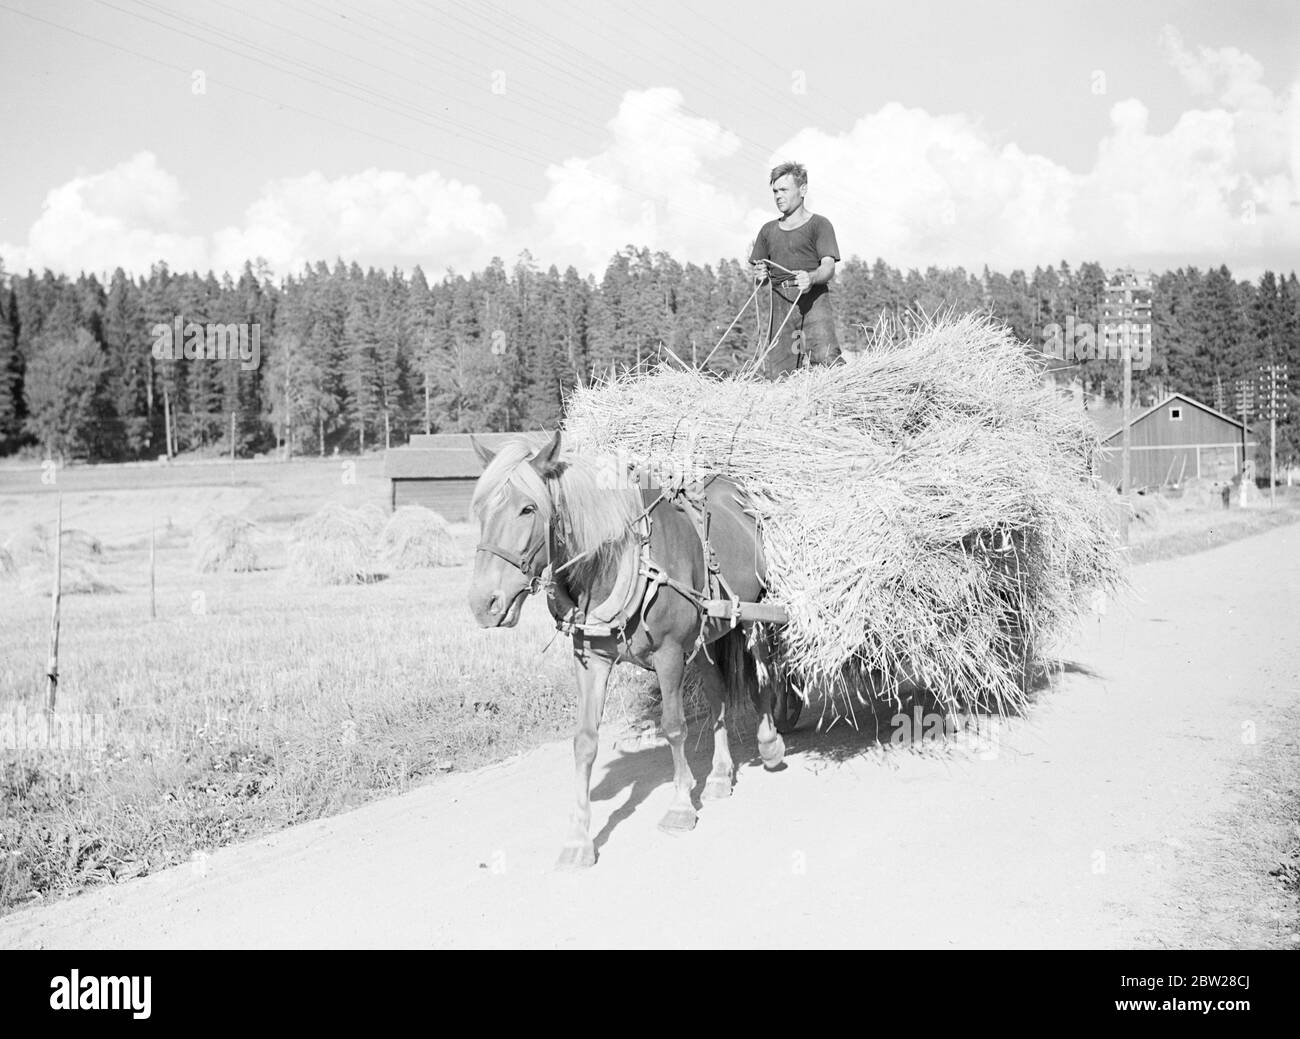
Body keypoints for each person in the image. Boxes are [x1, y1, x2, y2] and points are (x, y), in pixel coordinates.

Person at [749, 161, 842, 377]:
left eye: (784, 190)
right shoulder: (767, 231)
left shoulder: (820, 225)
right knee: (782, 372)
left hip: (813, 303)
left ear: (803, 190)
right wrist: (760, 276)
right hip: (781, 306)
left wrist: (811, 277)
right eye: (775, 191)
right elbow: (759, 277)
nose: (778, 196)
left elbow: (828, 267)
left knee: (827, 361)